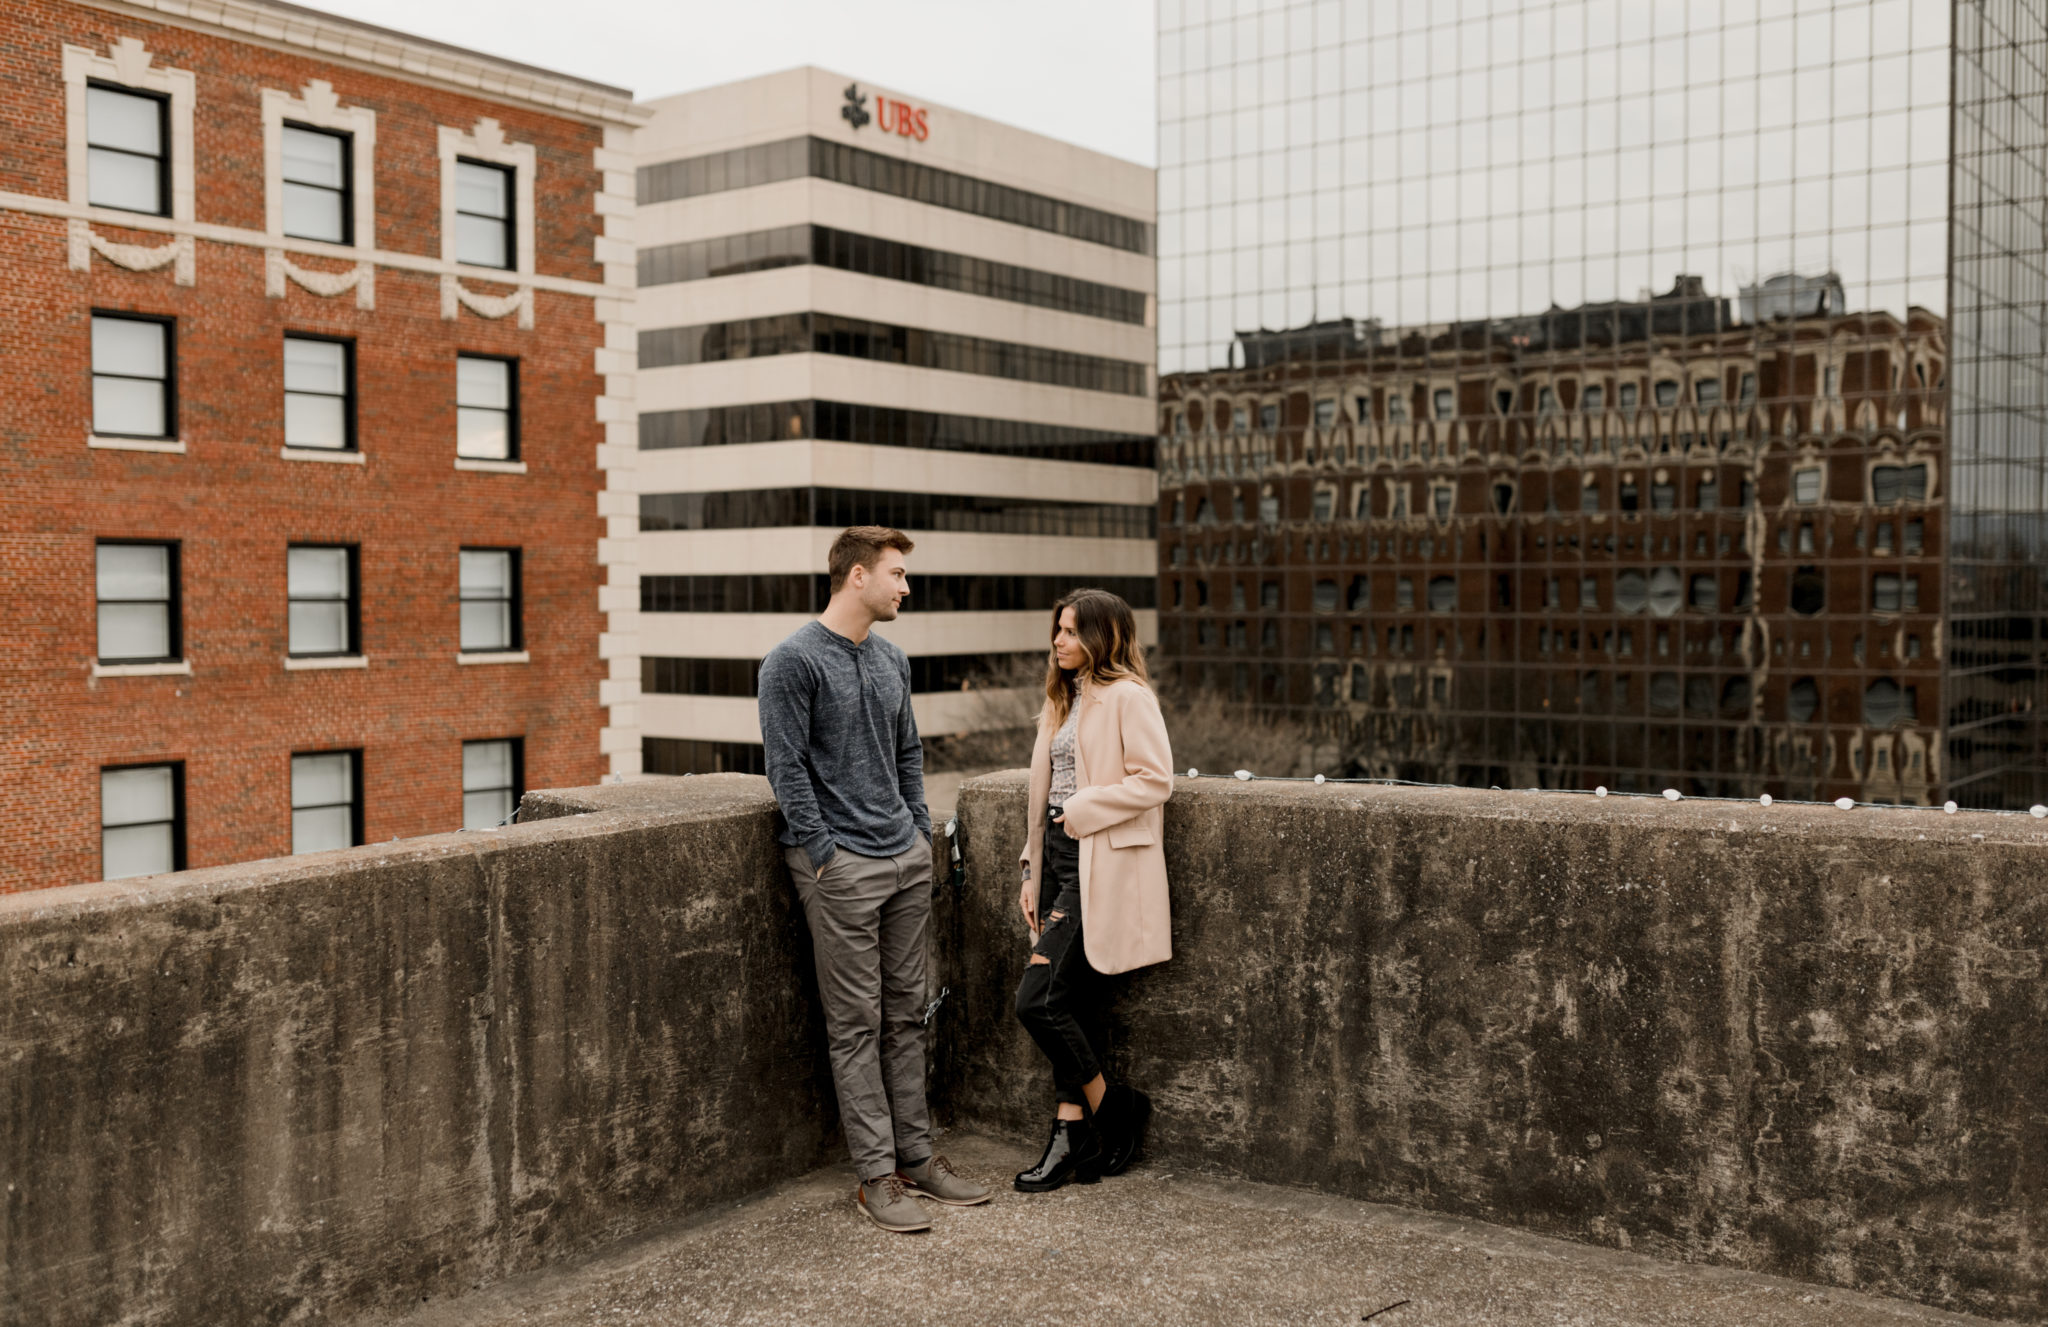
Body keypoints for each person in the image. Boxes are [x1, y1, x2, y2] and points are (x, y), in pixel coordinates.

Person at [757, 526, 992, 1233]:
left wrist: (919, 830)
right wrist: (824, 853)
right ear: (856, 576)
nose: (905, 588)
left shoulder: (892, 659)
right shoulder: (792, 662)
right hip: (842, 869)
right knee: (856, 1023)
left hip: (903, 858)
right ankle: (875, 1175)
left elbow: (908, 751)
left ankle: (916, 1155)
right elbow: (786, 768)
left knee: (907, 1014)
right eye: (896, 574)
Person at [1012, 588, 1174, 1192]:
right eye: (1058, 629)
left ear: (1102, 637)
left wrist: (1083, 807)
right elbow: (1043, 795)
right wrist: (1031, 871)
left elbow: (1156, 780)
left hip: (1097, 857)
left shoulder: (1129, 695)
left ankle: (1112, 1107)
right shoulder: (1063, 696)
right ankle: (1070, 1131)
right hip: (1057, 858)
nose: (1059, 641)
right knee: (1067, 998)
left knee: (1037, 1000)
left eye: (1072, 631)